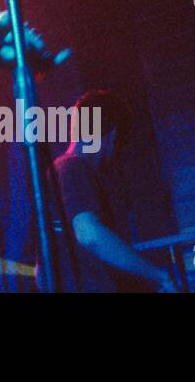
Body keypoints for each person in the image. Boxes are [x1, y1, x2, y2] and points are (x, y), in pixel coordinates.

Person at [50, 89, 178, 292]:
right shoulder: (74, 168)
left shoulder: (56, 172)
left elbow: (42, 272)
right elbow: (90, 234)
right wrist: (158, 275)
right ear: (113, 134)